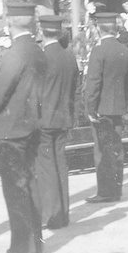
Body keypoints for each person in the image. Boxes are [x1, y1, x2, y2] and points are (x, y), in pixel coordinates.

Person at [0, 1, 48, 253]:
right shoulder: (37, 51)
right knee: (29, 185)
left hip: (11, 132)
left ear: (10, 23)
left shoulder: (16, 53)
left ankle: (21, 248)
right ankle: (36, 244)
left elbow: (0, 92)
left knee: (15, 191)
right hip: (31, 127)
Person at [84, 12, 128, 202]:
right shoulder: (125, 50)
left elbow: (93, 83)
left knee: (102, 151)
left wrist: (90, 108)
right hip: (118, 107)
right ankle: (116, 190)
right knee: (116, 149)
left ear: (98, 28)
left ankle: (105, 192)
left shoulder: (99, 51)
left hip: (101, 110)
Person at [35, 16, 78, 230]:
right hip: (63, 118)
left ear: (42, 32)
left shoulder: (41, 58)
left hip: (44, 120)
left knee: (46, 167)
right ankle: (63, 214)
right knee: (60, 164)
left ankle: (50, 215)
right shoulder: (69, 57)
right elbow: (74, 89)